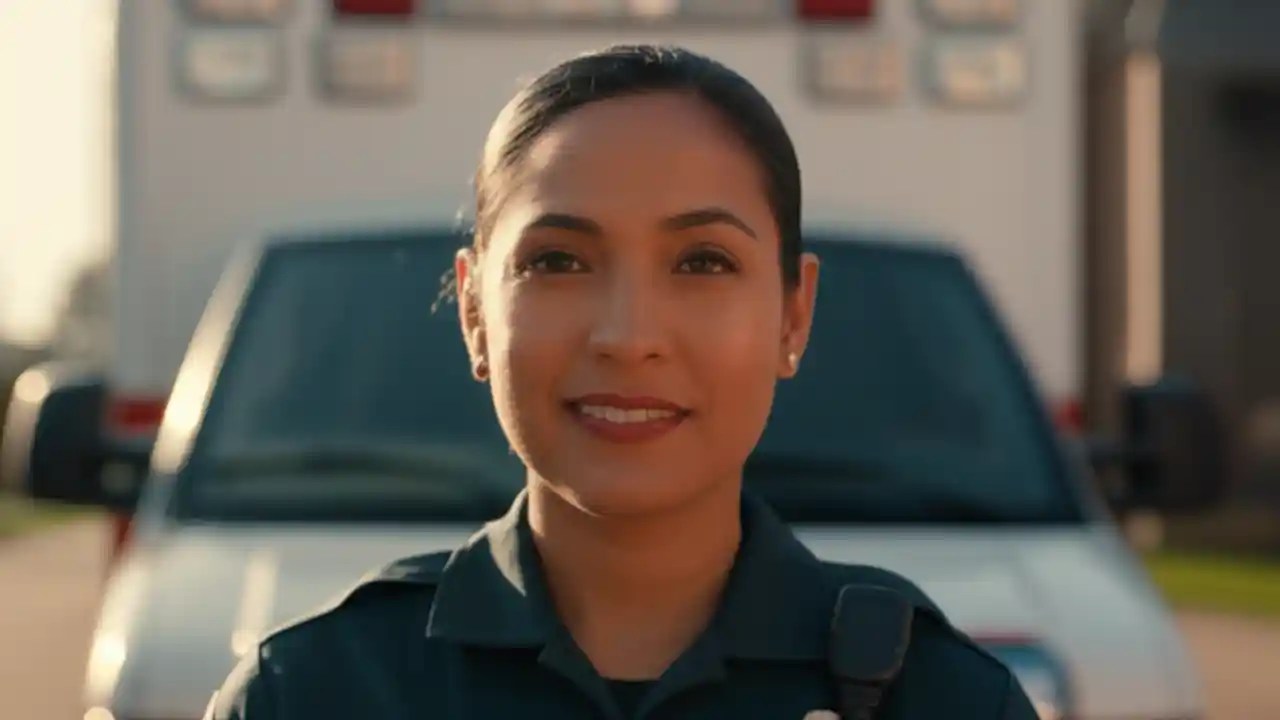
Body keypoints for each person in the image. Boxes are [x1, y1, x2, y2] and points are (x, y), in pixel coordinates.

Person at [204, 45, 1040, 719]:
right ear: (474, 313)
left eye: (702, 261)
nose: (628, 337)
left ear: (793, 314)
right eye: (557, 261)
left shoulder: (942, 698)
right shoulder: (313, 693)